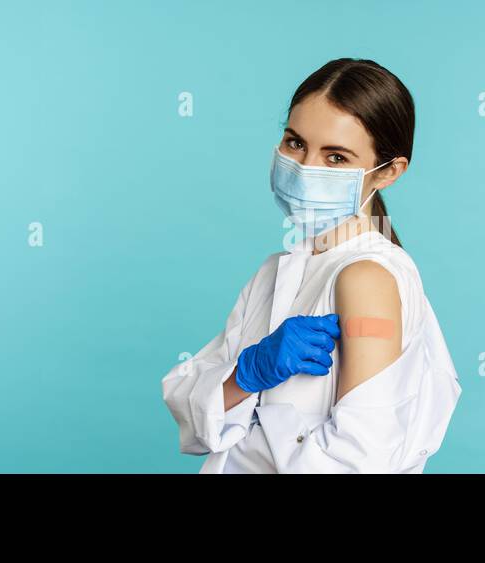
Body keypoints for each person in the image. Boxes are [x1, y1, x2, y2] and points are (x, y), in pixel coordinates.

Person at [160, 58, 462, 473]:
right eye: (295, 142)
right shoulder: (275, 271)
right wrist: (246, 375)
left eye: (336, 157)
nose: (305, 168)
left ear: (389, 172)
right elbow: (188, 403)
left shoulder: (366, 279)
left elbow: (361, 462)